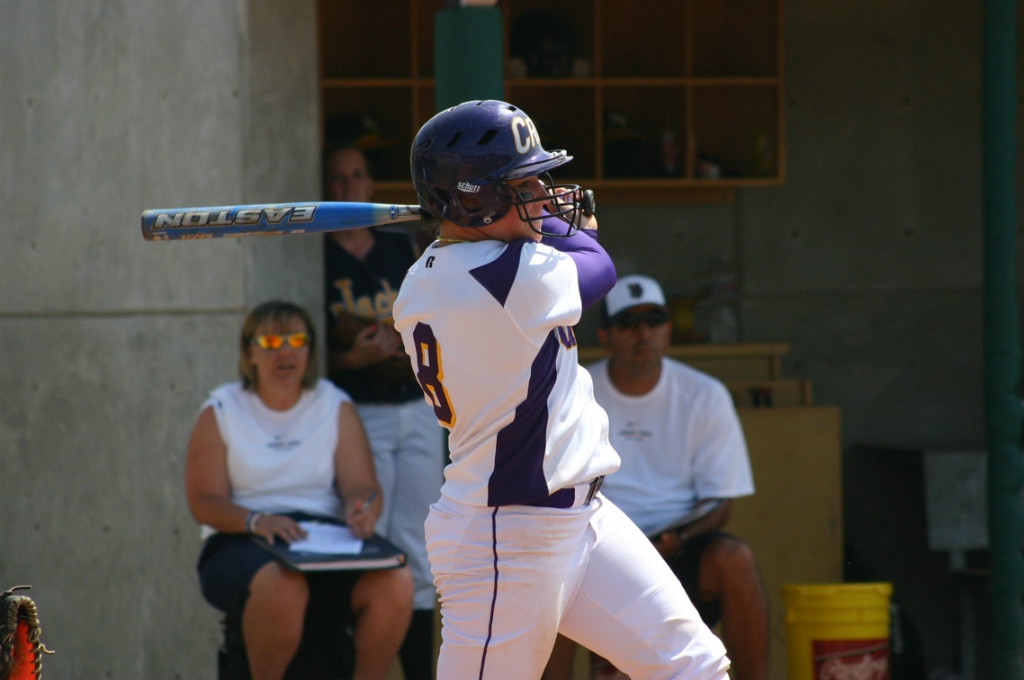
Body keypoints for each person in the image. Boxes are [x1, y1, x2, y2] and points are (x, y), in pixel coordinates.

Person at [391, 99, 732, 680]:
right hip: (508, 533)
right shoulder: (503, 278)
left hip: (582, 516)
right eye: (524, 184)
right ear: (473, 198)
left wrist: (520, 215)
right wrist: (548, 225)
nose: (546, 197)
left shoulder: (449, 270)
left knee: (693, 668)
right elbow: (597, 263)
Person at [544, 275, 769, 680]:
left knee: (736, 560)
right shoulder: (575, 390)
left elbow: (721, 502)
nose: (643, 333)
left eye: (654, 321)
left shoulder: (706, 394)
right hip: (597, 544)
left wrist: (678, 538)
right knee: (551, 576)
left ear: (668, 331)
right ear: (606, 336)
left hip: (680, 543)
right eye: (629, 323)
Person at [185, 300, 414, 680]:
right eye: (271, 341)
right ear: (249, 352)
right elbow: (204, 502)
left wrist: (363, 509)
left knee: (396, 582)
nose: (285, 351)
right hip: (243, 537)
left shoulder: (332, 403)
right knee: (282, 585)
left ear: (310, 349)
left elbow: (362, 486)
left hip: (320, 538)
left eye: (296, 340)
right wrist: (257, 520)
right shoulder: (222, 408)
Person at [322, 139, 444, 680]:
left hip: (415, 406)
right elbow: (302, 353)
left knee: (418, 547)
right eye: (337, 179)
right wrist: (352, 355)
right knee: (365, 542)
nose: (348, 188)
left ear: (372, 185)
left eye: (356, 177)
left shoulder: (401, 249)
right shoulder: (315, 253)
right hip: (356, 413)